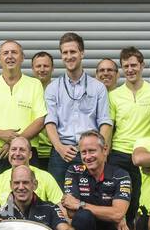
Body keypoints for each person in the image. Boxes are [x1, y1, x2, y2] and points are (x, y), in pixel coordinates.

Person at [62, 131, 136, 230]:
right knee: (82, 217)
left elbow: (117, 214)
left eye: (92, 151)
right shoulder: (73, 171)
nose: (88, 156)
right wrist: (109, 212)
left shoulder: (120, 175)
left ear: (105, 150)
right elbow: (71, 212)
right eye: (84, 152)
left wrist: (81, 204)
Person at [107, 46, 150, 223]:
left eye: (133, 65)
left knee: (140, 204)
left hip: (146, 155)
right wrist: (105, 154)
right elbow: (109, 128)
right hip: (120, 154)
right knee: (119, 205)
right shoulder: (113, 96)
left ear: (142, 66)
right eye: (126, 66)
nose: (130, 70)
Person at [44, 31, 112, 184]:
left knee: (93, 199)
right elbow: (50, 122)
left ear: (82, 53)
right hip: (61, 153)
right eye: (65, 53)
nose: (69, 56)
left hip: (90, 152)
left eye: (73, 51)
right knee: (58, 200)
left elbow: (105, 122)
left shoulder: (98, 87)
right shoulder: (52, 88)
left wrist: (101, 152)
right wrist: (59, 147)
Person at [0, 40, 47, 176]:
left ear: (22, 57)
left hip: (27, 152)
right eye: (5, 53)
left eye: (14, 52)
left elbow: (40, 120)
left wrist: (15, 144)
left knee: (31, 194)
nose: (10, 56)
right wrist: (1, 134)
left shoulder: (34, 84)